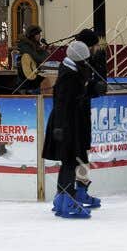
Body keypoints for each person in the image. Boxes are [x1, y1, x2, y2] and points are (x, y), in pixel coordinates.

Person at [42, 38, 96, 217]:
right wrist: (60, 127)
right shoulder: (69, 75)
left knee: (72, 161)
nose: (87, 62)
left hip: (70, 123)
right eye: (85, 59)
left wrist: (91, 90)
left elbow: (77, 97)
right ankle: (65, 201)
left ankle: (63, 199)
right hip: (66, 124)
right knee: (70, 161)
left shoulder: (73, 72)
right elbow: (62, 103)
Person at [15, 25, 50, 94]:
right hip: (26, 82)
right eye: (38, 34)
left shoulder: (34, 45)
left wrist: (43, 50)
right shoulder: (25, 46)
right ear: (32, 35)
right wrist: (46, 53)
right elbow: (37, 58)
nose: (40, 36)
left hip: (32, 81)